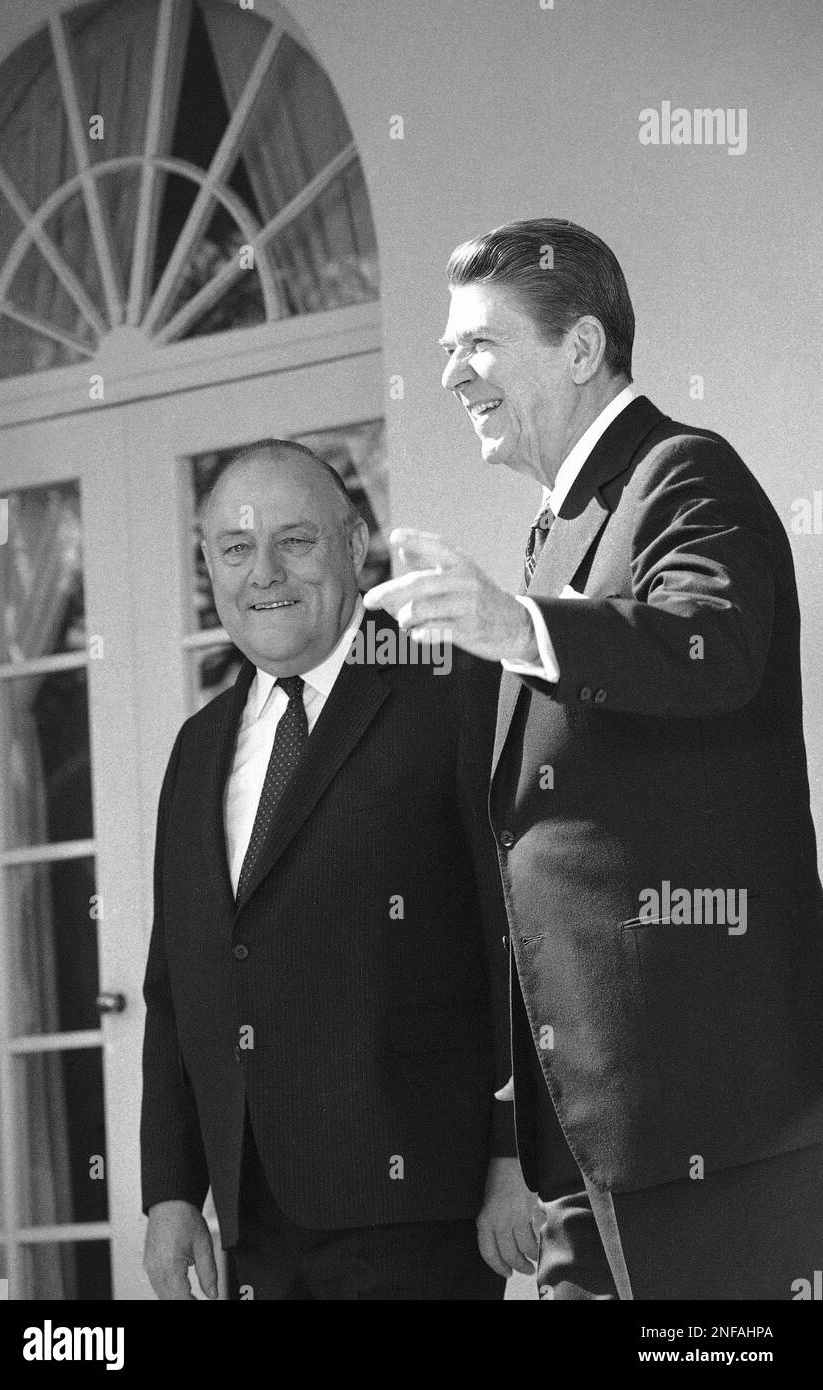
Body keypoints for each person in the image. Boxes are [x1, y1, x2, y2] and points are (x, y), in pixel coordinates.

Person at [366, 218, 823, 1299]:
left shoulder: (681, 472)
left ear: (578, 347)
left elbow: (707, 648)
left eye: (476, 342)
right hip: (590, 1127)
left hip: (703, 1109)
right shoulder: (556, 527)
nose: (448, 372)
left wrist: (515, 624)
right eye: (445, 347)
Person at [140, 438, 540, 1301]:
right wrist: (173, 1193)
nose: (265, 573)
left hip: (419, 1212)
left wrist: (516, 1153)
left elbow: (517, 940)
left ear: (354, 546)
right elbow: (179, 983)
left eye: (297, 540)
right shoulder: (198, 746)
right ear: (209, 566)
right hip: (254, 1220)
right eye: (236, 549)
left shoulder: (454, 687)